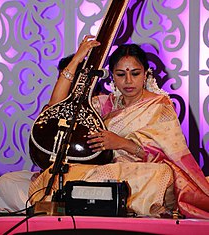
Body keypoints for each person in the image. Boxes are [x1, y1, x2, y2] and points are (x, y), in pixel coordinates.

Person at [27, 36, 209, 219]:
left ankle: (108, 202)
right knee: (63, 173)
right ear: (112, 76)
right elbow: (56, 107)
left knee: (162, 173)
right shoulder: (104, 104)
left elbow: (169, 156)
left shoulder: (160, 106)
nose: (128, 81)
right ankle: (108, 202)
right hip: (106, 171)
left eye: (135, 73)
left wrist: (121, 143)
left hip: (142, 172)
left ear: (146, 73)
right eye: (121, 74)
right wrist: (76, 60)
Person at [0, 54, 84, 213]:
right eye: (62, 77)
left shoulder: (95, 106)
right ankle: (39, 212)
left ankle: (41, 213)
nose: (65, 83)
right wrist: (43, 175)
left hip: (76, 176)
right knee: (6, 181)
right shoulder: (51, 110)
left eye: (69, 77)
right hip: (47, 174)